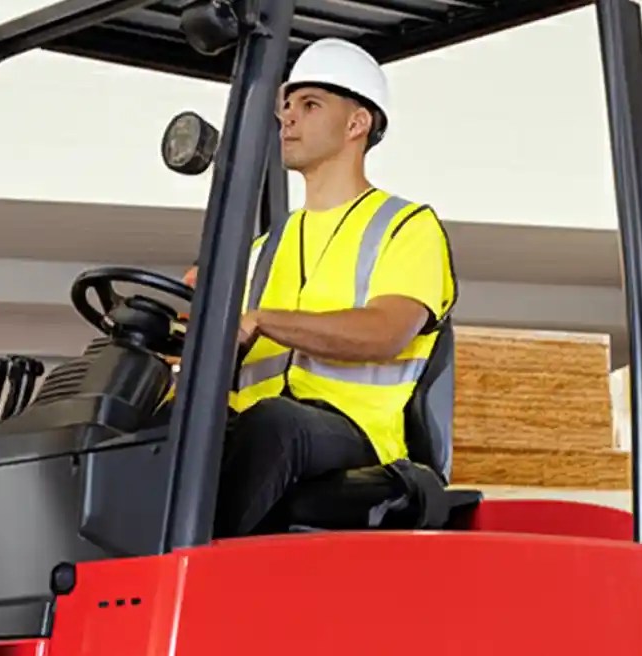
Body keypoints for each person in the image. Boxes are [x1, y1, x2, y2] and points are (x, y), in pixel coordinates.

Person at [187, 38, 458, 538]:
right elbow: (212, 340)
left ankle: (196, 573)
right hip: (254, 427)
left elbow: (386, 333)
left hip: (357, 433)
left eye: (310, 105)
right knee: (159, 428)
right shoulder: (265, 248)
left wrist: (263, 319)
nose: (288, 118)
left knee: (275, 426)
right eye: (287, 105)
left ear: (357, 124)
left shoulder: (406, 227)